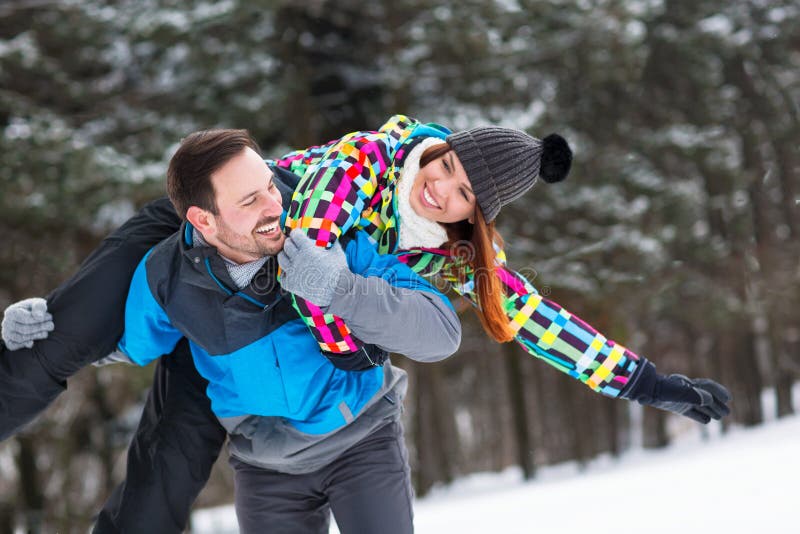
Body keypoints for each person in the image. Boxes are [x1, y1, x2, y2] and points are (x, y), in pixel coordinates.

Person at [2, 116, 731, 531]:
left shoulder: (453, 255)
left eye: (461, 193)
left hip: (250, 328)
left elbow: (533, 319)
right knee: (58, 340)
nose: (438, 185)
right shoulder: (370, 158)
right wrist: (346, 340)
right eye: (445, 164)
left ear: (477, 215)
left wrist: (646, 382)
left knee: (160, 488)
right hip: (215, 223)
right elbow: (310, 238)